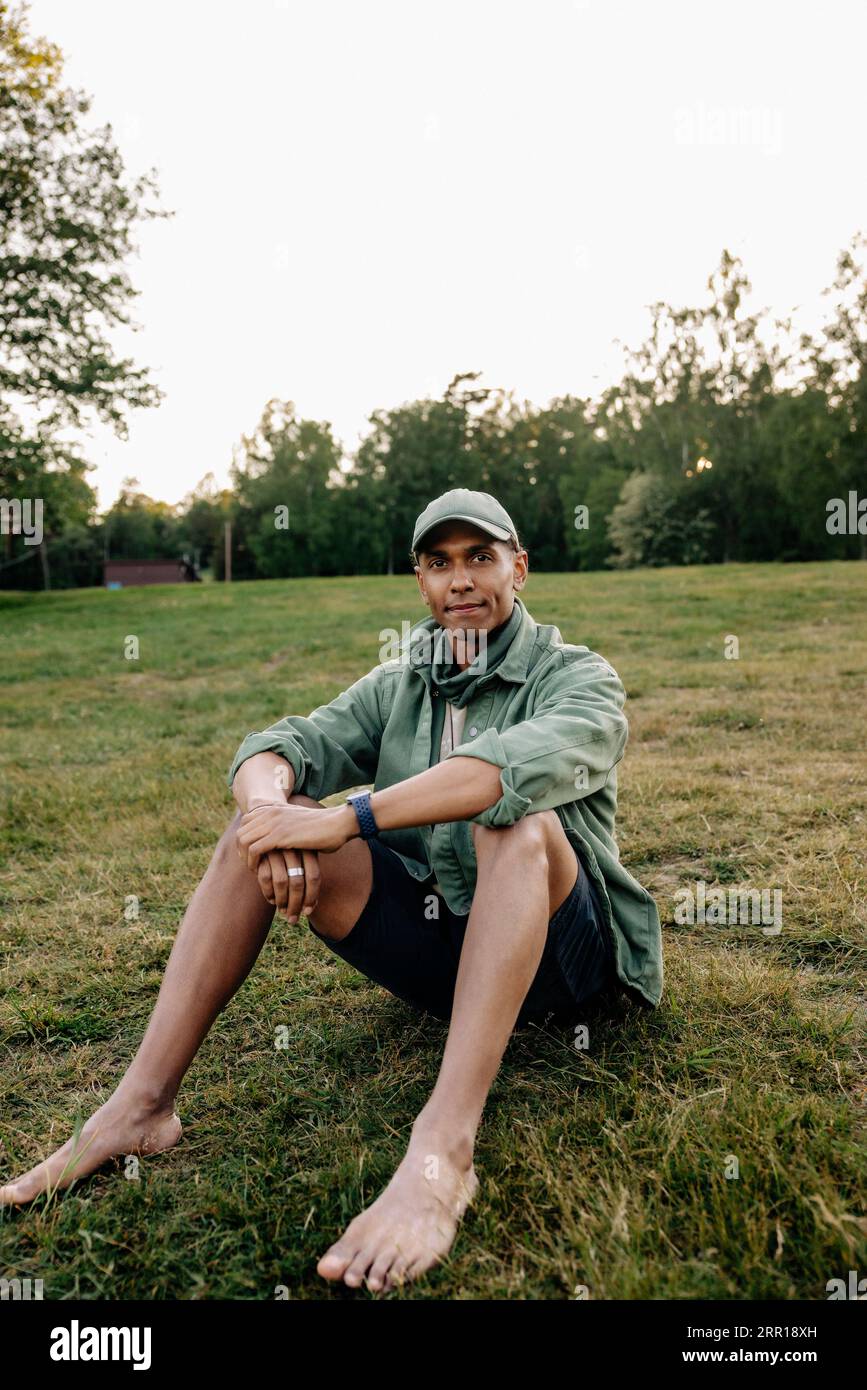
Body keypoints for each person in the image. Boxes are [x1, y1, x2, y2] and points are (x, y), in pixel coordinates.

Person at [0, 488, 663, 1294]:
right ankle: (141, 1107)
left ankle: (442, 1152)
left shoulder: (578, 677)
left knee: (512, 821)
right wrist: (272, 813)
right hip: (446, 963)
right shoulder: (397, 683)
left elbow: (506, 774)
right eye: (437, 563)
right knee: (262, 829)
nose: (459, 580)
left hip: (568, 967)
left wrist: (346, 818)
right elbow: (279, 745)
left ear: (518, 569)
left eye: (480, 557)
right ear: (418, 583)